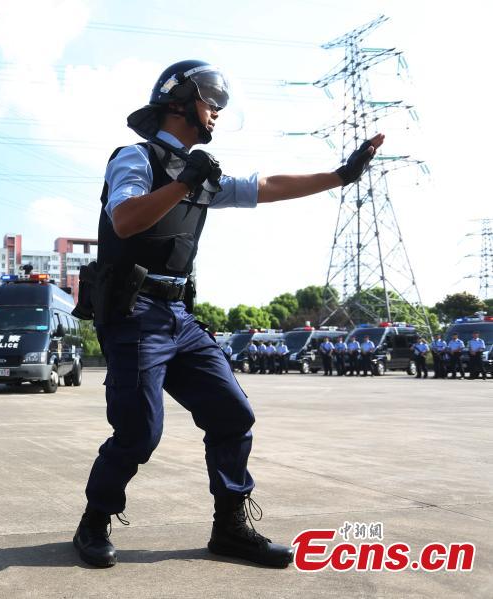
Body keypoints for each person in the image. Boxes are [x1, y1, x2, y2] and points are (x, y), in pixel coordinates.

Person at [72, 59, 383, 570]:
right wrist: (182, 184)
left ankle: (231, 529)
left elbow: (265, 187)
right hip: (134, 312)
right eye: (210, 103)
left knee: (232, 414)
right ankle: (94, 521)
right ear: (180, 103)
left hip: (178, 315)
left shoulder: (204, 175)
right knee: (139, 433)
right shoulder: (136, 157)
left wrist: (340, 176)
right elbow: (126, 221)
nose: (216, 114)